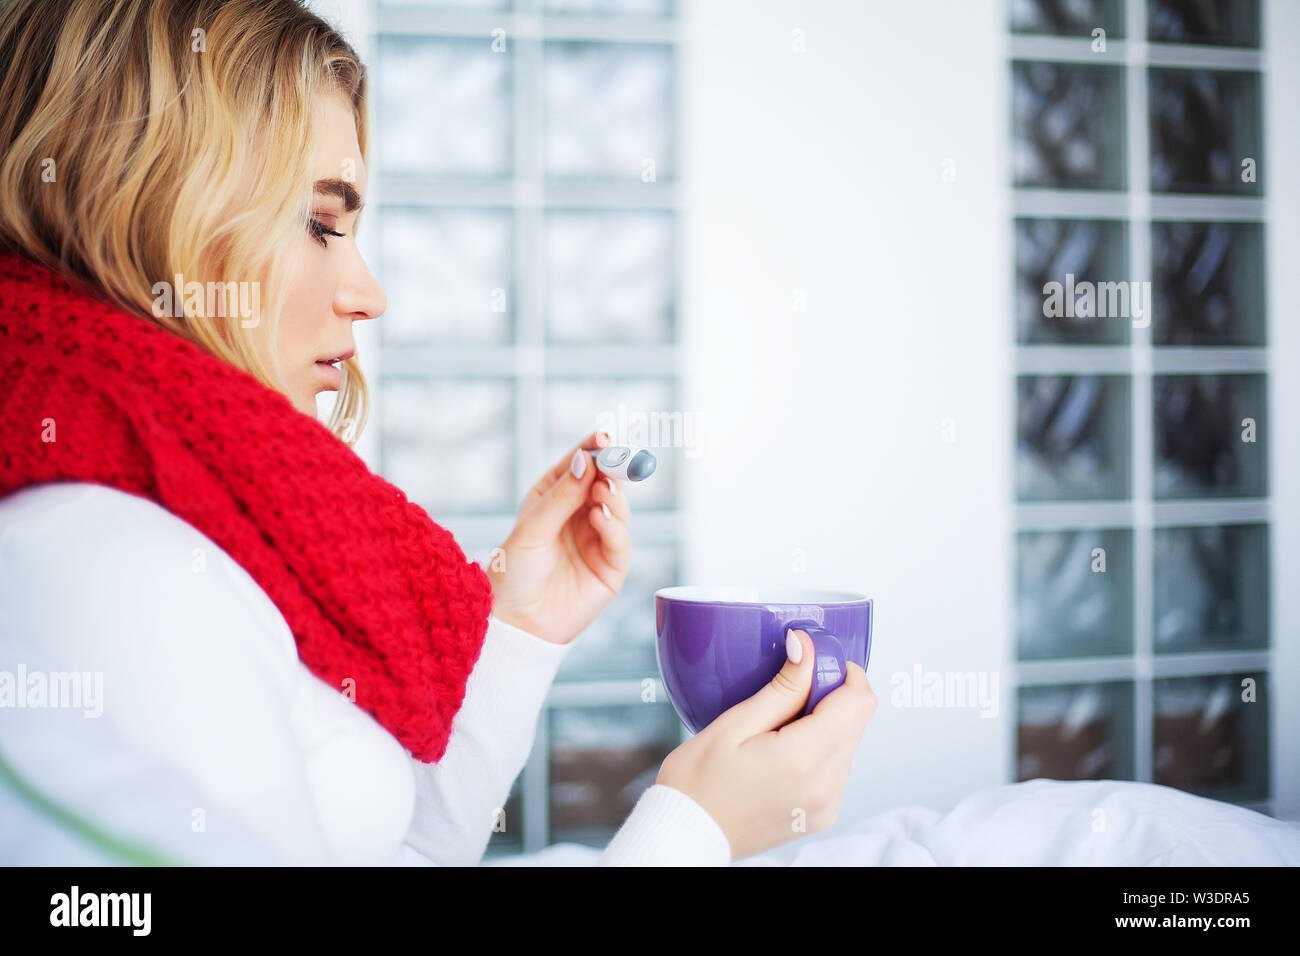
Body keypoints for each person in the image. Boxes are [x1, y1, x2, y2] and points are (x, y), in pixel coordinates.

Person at [0, 0, 876, 866]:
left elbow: (402, 853)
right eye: (320, 223)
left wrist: (523, 627)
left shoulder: (193, 517)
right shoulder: (100, 560)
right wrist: (695, 831)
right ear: (144, 210)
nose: (369, 293)